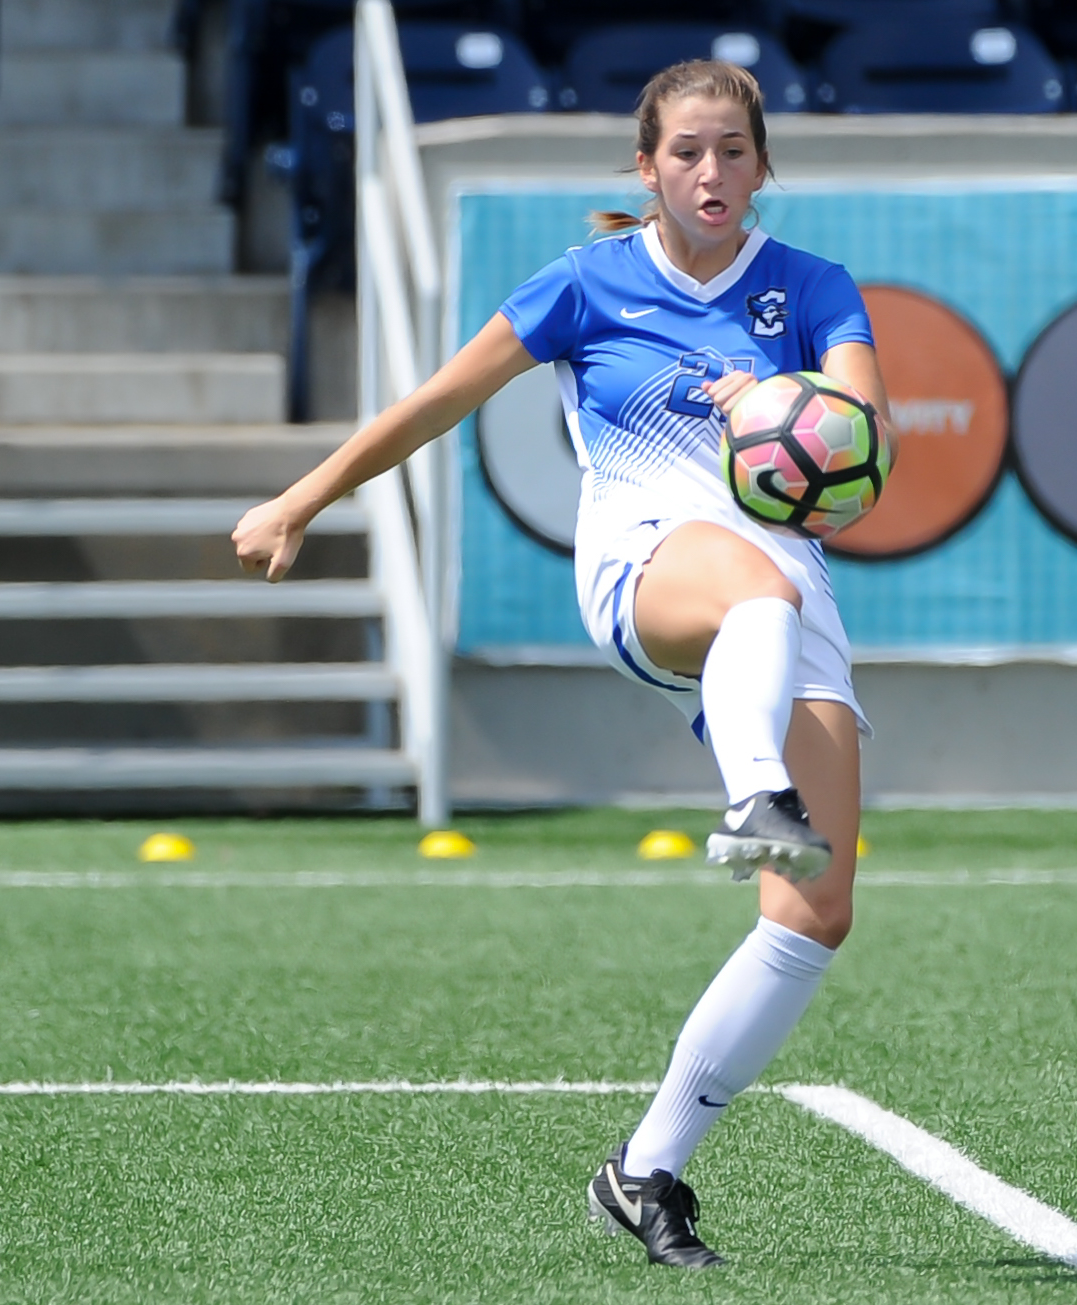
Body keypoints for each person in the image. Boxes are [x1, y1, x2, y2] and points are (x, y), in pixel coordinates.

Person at [232, 58, 893, 1270]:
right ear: (645, 168)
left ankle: (645, 1171)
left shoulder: (810, 286)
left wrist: (777, 399)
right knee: (755, 585)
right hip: (647, 567)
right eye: (686, 151)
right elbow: (436, 402)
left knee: (816, 910)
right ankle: (752, 789)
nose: (710, 172)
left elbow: (861, 433)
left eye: (732, 152)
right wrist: (302, 497)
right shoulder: (587, 284)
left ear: (761, 168)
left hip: (787, 602)